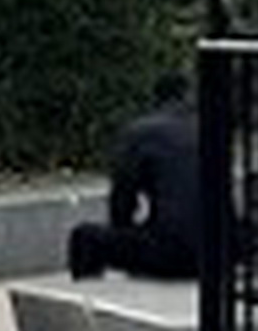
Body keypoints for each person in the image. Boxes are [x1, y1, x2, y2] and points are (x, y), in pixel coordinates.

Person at [67, 69, 202, 282]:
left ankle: (89, 295)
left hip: (172, 254)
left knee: (84, 238)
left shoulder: (141, 133)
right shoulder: (209, 128)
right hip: (219, 252)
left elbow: (122, 200)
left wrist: (125, 234)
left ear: (156, 98)